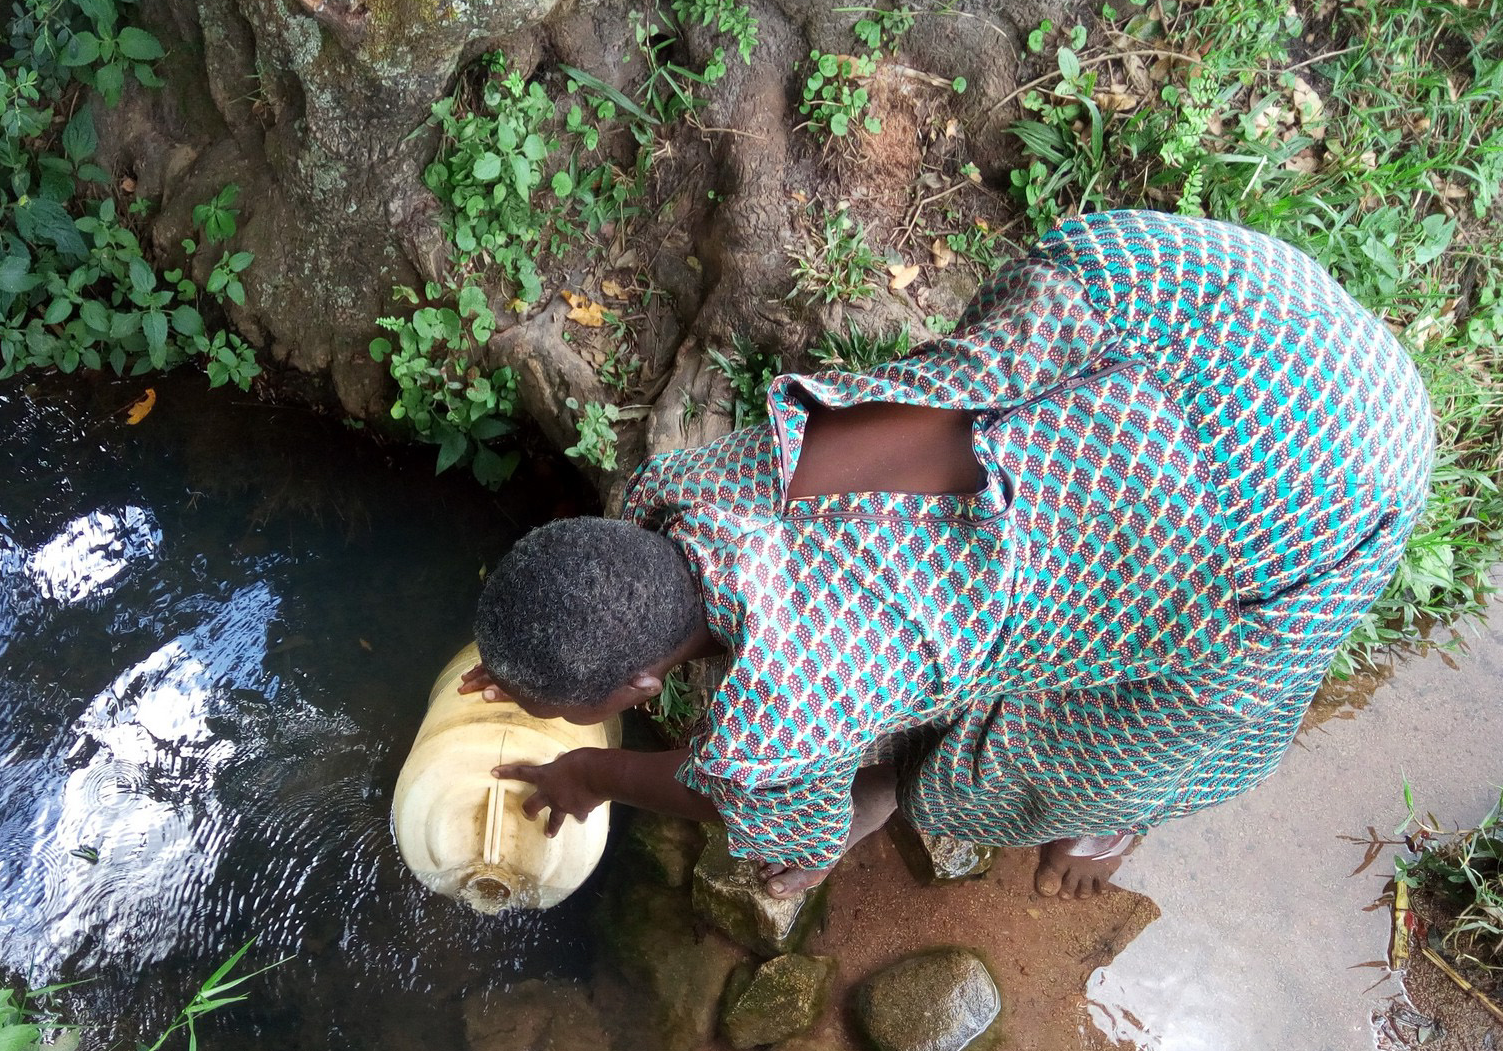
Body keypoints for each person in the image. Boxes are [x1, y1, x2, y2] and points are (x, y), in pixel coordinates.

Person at [462, 210, 1434, 900]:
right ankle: (921, 727)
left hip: (1310, 482)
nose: (534, 707)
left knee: (1117, 745)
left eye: (560, 706)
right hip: (1170, 286)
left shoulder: (781, 717)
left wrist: (587, 778)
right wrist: (536, 675)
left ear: (640, 684)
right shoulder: (681, 486)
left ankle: (1080, 818)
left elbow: (726, 790)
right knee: (980, 579)